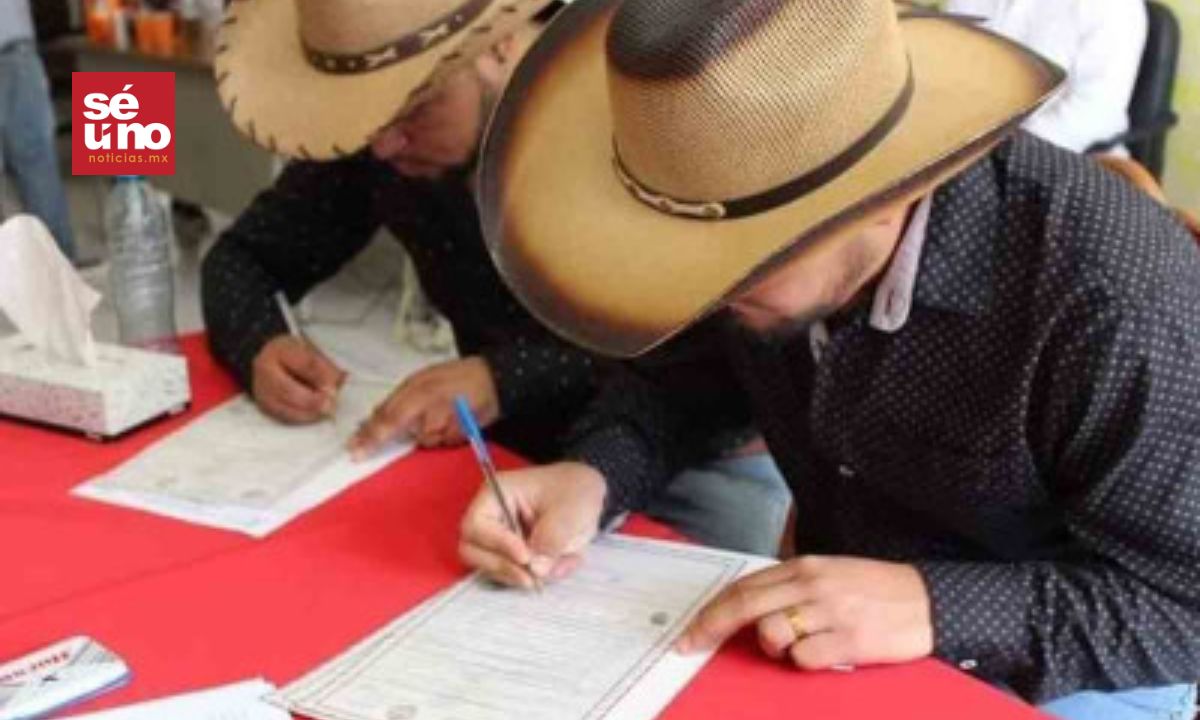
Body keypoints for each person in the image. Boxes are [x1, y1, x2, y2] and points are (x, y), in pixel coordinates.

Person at [458, 1, 1200, 718]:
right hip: (836, 623)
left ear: (883, 194)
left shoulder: (1113, 300)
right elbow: (692, 381)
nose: (702, 296)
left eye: (738, 265)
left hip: (1092, 669)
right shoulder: (754, 232)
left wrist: (936, 606)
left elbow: (1184, 607)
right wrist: (597, 474)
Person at [201, 0, 791, 555]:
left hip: (690, 464)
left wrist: (503, 375)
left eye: (413, 111)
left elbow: (710, 337)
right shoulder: (382, 142)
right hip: (507, 456)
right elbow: (245, 258)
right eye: (371, 124)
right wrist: (260, 343)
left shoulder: (637, 120)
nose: (384, 146)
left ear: (501, 45)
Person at [946, 0, 1147, 154]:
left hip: (1068, 158)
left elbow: (1094, 114)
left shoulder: (1115, 8)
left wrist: (994, 148)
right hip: (966, 144)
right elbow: (947, 60)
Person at [0, 0, 78, 262]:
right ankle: (60, 264)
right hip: (14, 47)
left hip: (16, 49)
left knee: (37, 163)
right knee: (37, 163)